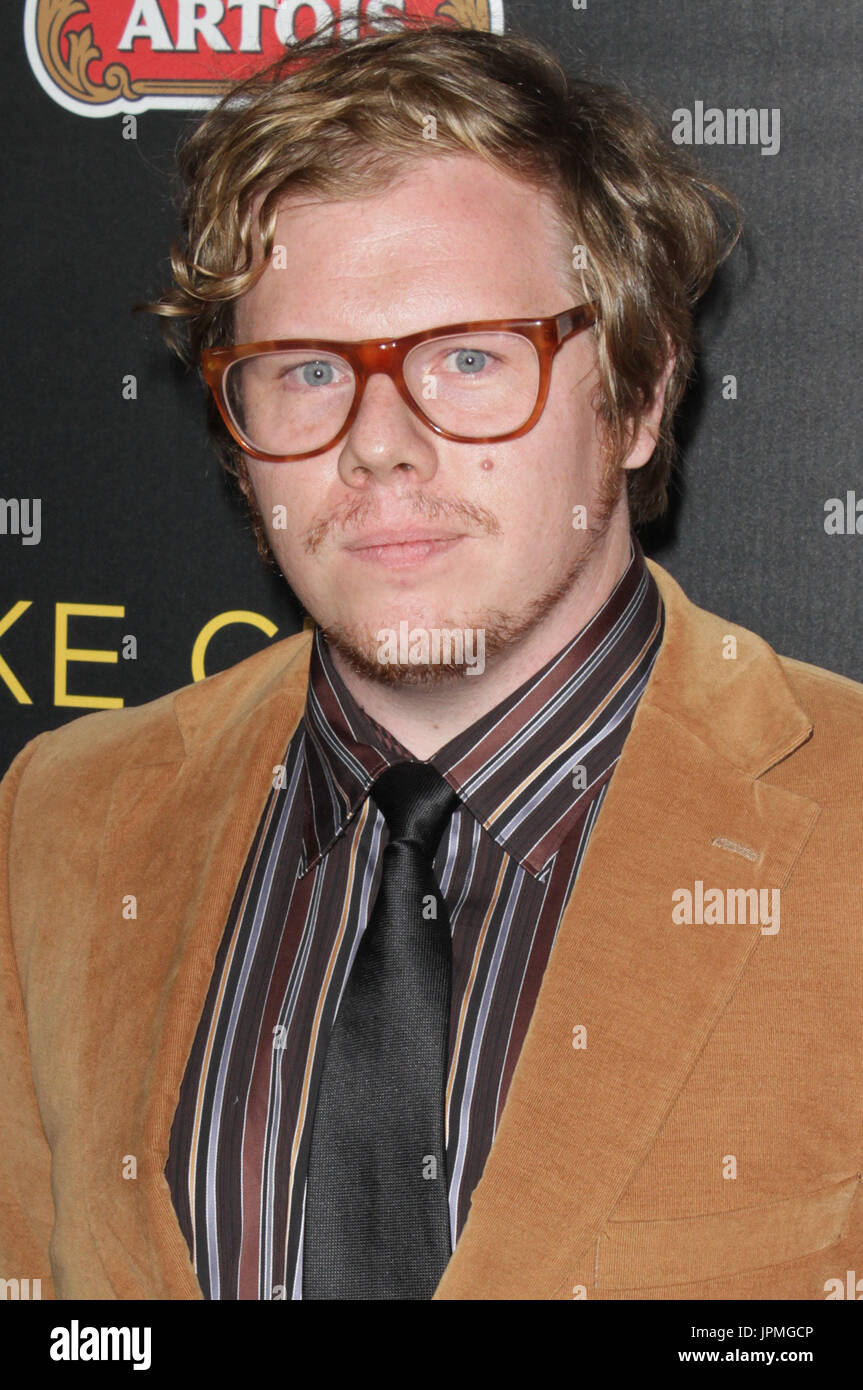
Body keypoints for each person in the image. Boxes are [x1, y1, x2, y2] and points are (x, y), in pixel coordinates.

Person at [1, 21, 861, 1303]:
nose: (379, 447)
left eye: (468, 357)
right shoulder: (63, 815)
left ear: (633, 395)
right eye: (303, 371)